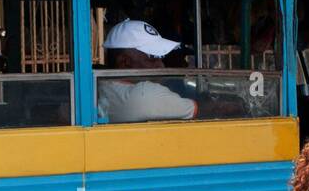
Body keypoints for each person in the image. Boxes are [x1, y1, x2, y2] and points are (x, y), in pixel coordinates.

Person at [97, 20, 242, 122]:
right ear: (124, 62)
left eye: (161, 57)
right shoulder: (145, 94)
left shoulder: (100, 88)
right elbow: (211, 110)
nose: (161, 64)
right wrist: (237, 105)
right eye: (152, 57)